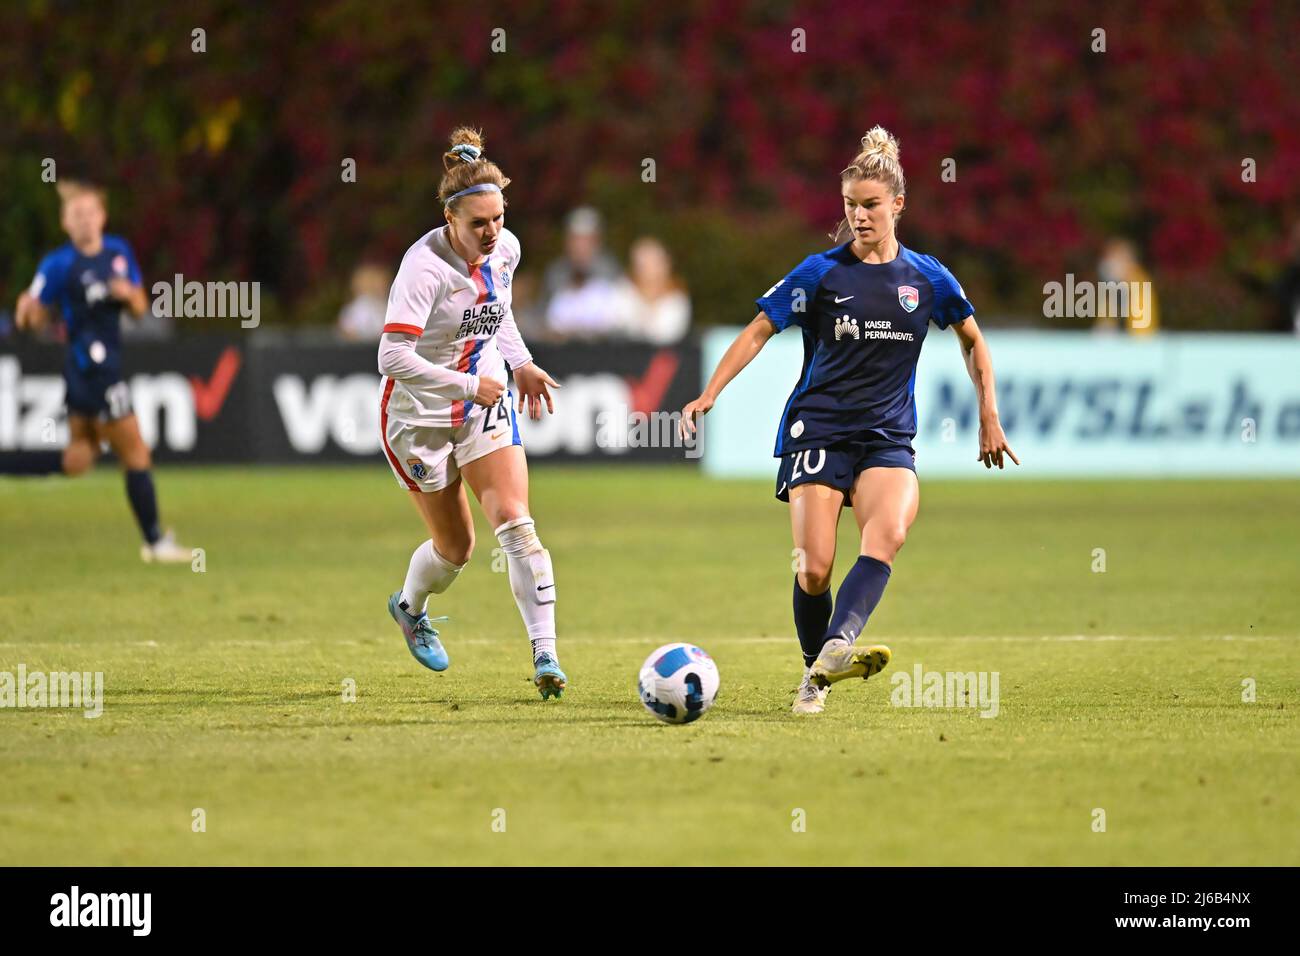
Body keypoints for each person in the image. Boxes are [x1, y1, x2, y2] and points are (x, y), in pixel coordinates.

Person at [680, 127, 1018, 715]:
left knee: (887, 534)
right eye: (849, 206)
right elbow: (760, 328)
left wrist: (989, 411)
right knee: (813, 569)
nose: (858, 217)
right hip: (819, 429)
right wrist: (710, 392)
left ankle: (833, 652)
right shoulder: (820, 274)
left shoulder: (928, 279)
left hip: (888, 436)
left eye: (870, 205)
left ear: (898, 205)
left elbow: (972, 339)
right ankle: (817, 669)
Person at [377, 127, 567, 698]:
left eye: (499, 218)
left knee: (516, 523)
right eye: (478, 223)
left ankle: (546, 657)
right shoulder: (424, 268)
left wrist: (523, 363)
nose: (492, 233)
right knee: (455, 550)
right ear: (449, 218)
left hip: (482, 401)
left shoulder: (505, 250)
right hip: (418, 416)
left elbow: (497, 310)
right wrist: (465, 384)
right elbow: (391, 356)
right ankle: (410, 607)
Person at [3, 180, 190, 563]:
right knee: (135, 449)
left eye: (90, 213)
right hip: (93, 368)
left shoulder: (119, 253)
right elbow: (33, 316)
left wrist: (129, 296)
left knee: (79, 458)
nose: (85, 220)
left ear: (103, 217)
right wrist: (26, 312)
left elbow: (139, 308)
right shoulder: (59, 264)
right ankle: (155, 542)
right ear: (65, 223)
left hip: (97, 367)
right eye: (76, 215)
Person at [540, 206, 624, 340]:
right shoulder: (556, 274)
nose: (580, 247)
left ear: (597, 241)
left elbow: (617, 322)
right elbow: (544, 320)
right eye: (575, 240)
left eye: (587, 240)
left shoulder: (610, 271)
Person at [615, 236, 691, 345]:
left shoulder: (677, 296)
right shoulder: (624, 290)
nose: (648, 269)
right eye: (643, 264)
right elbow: (622, 324)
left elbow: (669, 333)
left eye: (653, 263)